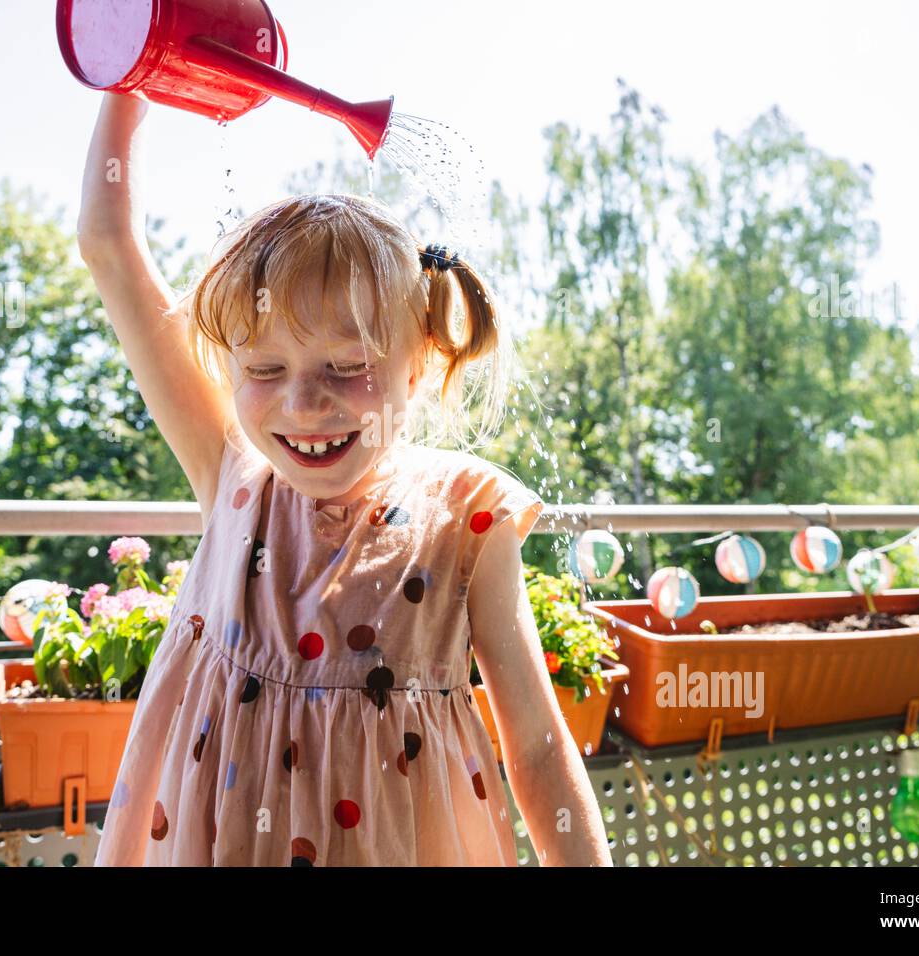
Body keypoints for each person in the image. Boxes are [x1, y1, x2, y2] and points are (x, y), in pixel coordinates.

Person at [79, 92, 612, 866]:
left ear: (420, 364)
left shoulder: (469, 520)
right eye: (265, 368)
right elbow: (107, 244)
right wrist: (127, 84)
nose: (305, 402)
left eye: (349, 366)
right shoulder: (233, 474)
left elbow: (533, 745)